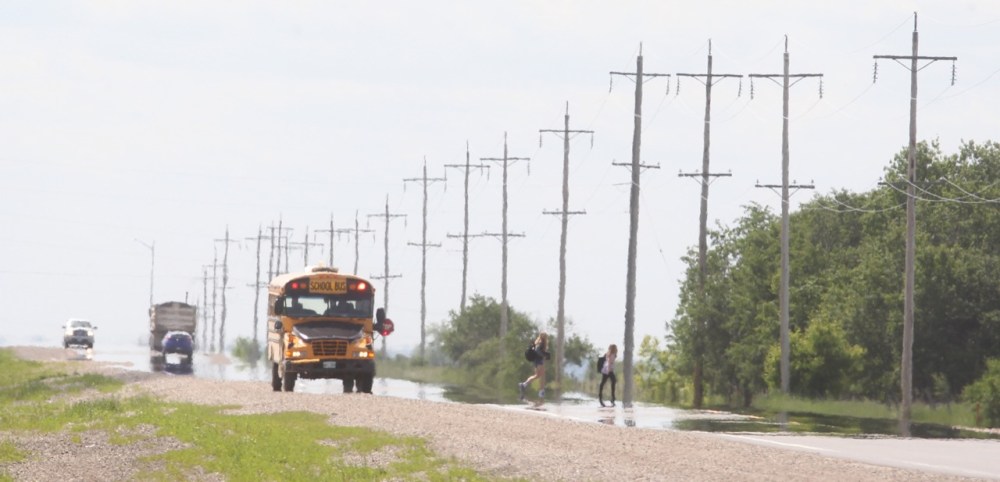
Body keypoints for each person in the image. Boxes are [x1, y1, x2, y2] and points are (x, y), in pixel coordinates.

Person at [518, 332, 549, 401]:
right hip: (539, 360)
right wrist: (544, 355)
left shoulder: (538, 341)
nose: (546, 337)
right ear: (544, 336)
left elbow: (537, 350)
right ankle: (540, 392)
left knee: (538, 375)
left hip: (536, 360)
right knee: (540, 375)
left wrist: (544, 355)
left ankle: (524, 385)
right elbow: (538, 350)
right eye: (545, 336)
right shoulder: (541, 342)